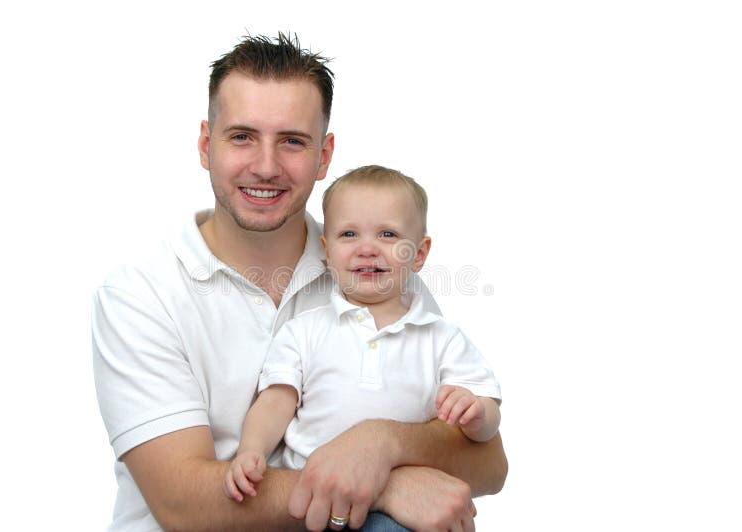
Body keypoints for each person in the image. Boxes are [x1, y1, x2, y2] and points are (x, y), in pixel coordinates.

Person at [92, 33, 507, 532]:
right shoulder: (139, 296)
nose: (266, 166)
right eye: (242, 136)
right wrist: (385, 485)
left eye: (292, 140)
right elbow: (183, 504)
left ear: (325, 155)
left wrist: (383, 443)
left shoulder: (376, 269)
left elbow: (489, 464)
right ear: (206, 145)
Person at [223, 166, 503, 530]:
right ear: (327, 251)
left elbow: (488, 420)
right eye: (348, 234)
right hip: (312, 502)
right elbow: (276, 401)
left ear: (419, 254)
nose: (367, 248)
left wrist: (478, 413)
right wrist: (250, 452)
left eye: (388, 234)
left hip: (401, 509)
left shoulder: (441, 337)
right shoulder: (305, 330)